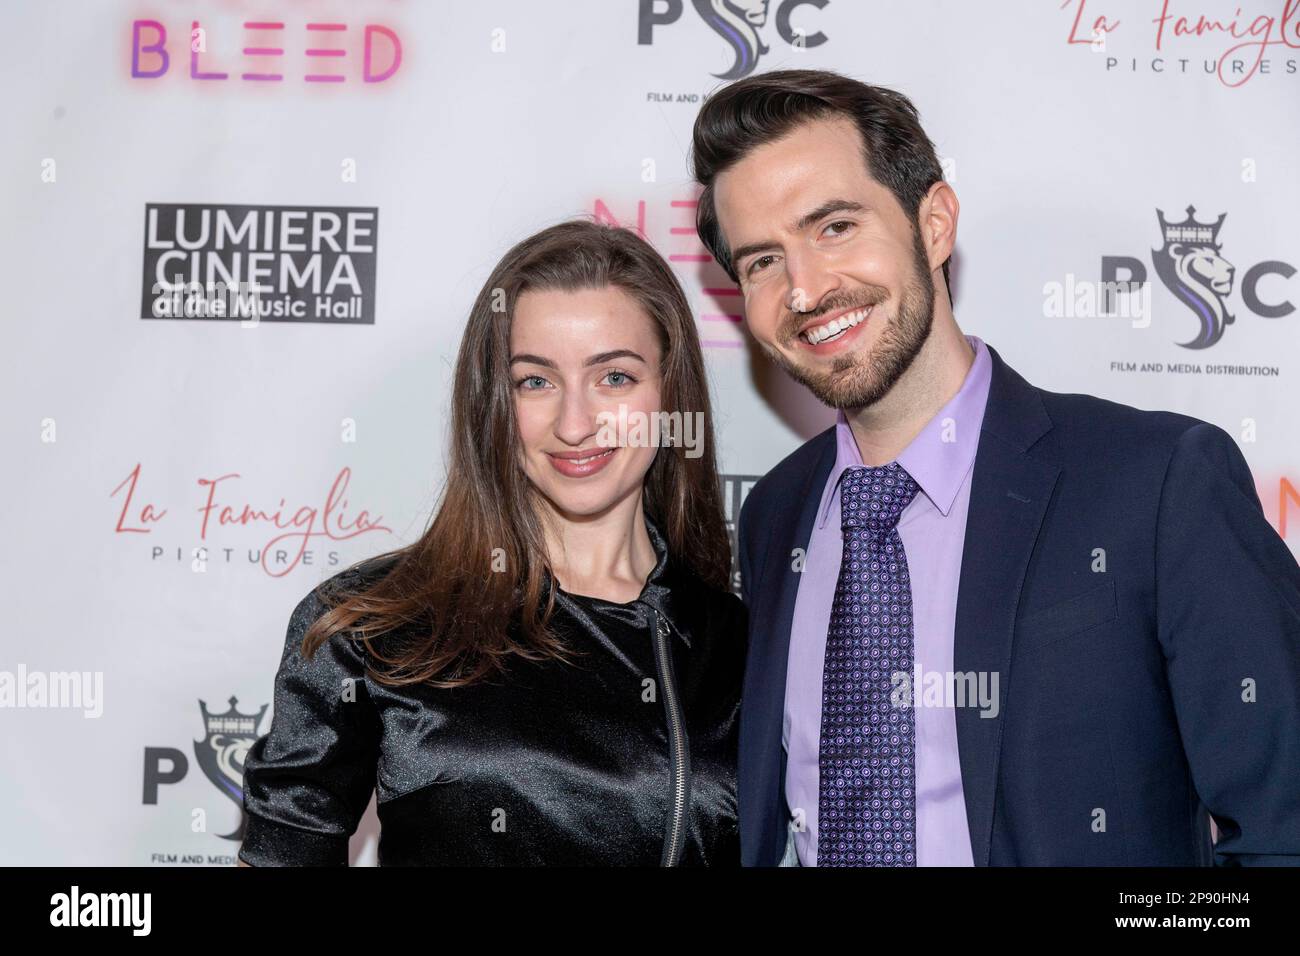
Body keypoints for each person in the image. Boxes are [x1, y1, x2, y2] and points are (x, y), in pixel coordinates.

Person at [689, 68, 1300, 866]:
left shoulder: (1155, 482)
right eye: (762, 261)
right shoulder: (776, 516)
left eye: (835, 226)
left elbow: (1284, 830)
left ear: (934, 222)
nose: (805, 289)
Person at [237, 219, 746, 866]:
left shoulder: (739, 645)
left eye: (614, 378)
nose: (575, 423)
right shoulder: (373, 623)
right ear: (493, 403)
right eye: (535, 381)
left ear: (670, 394)